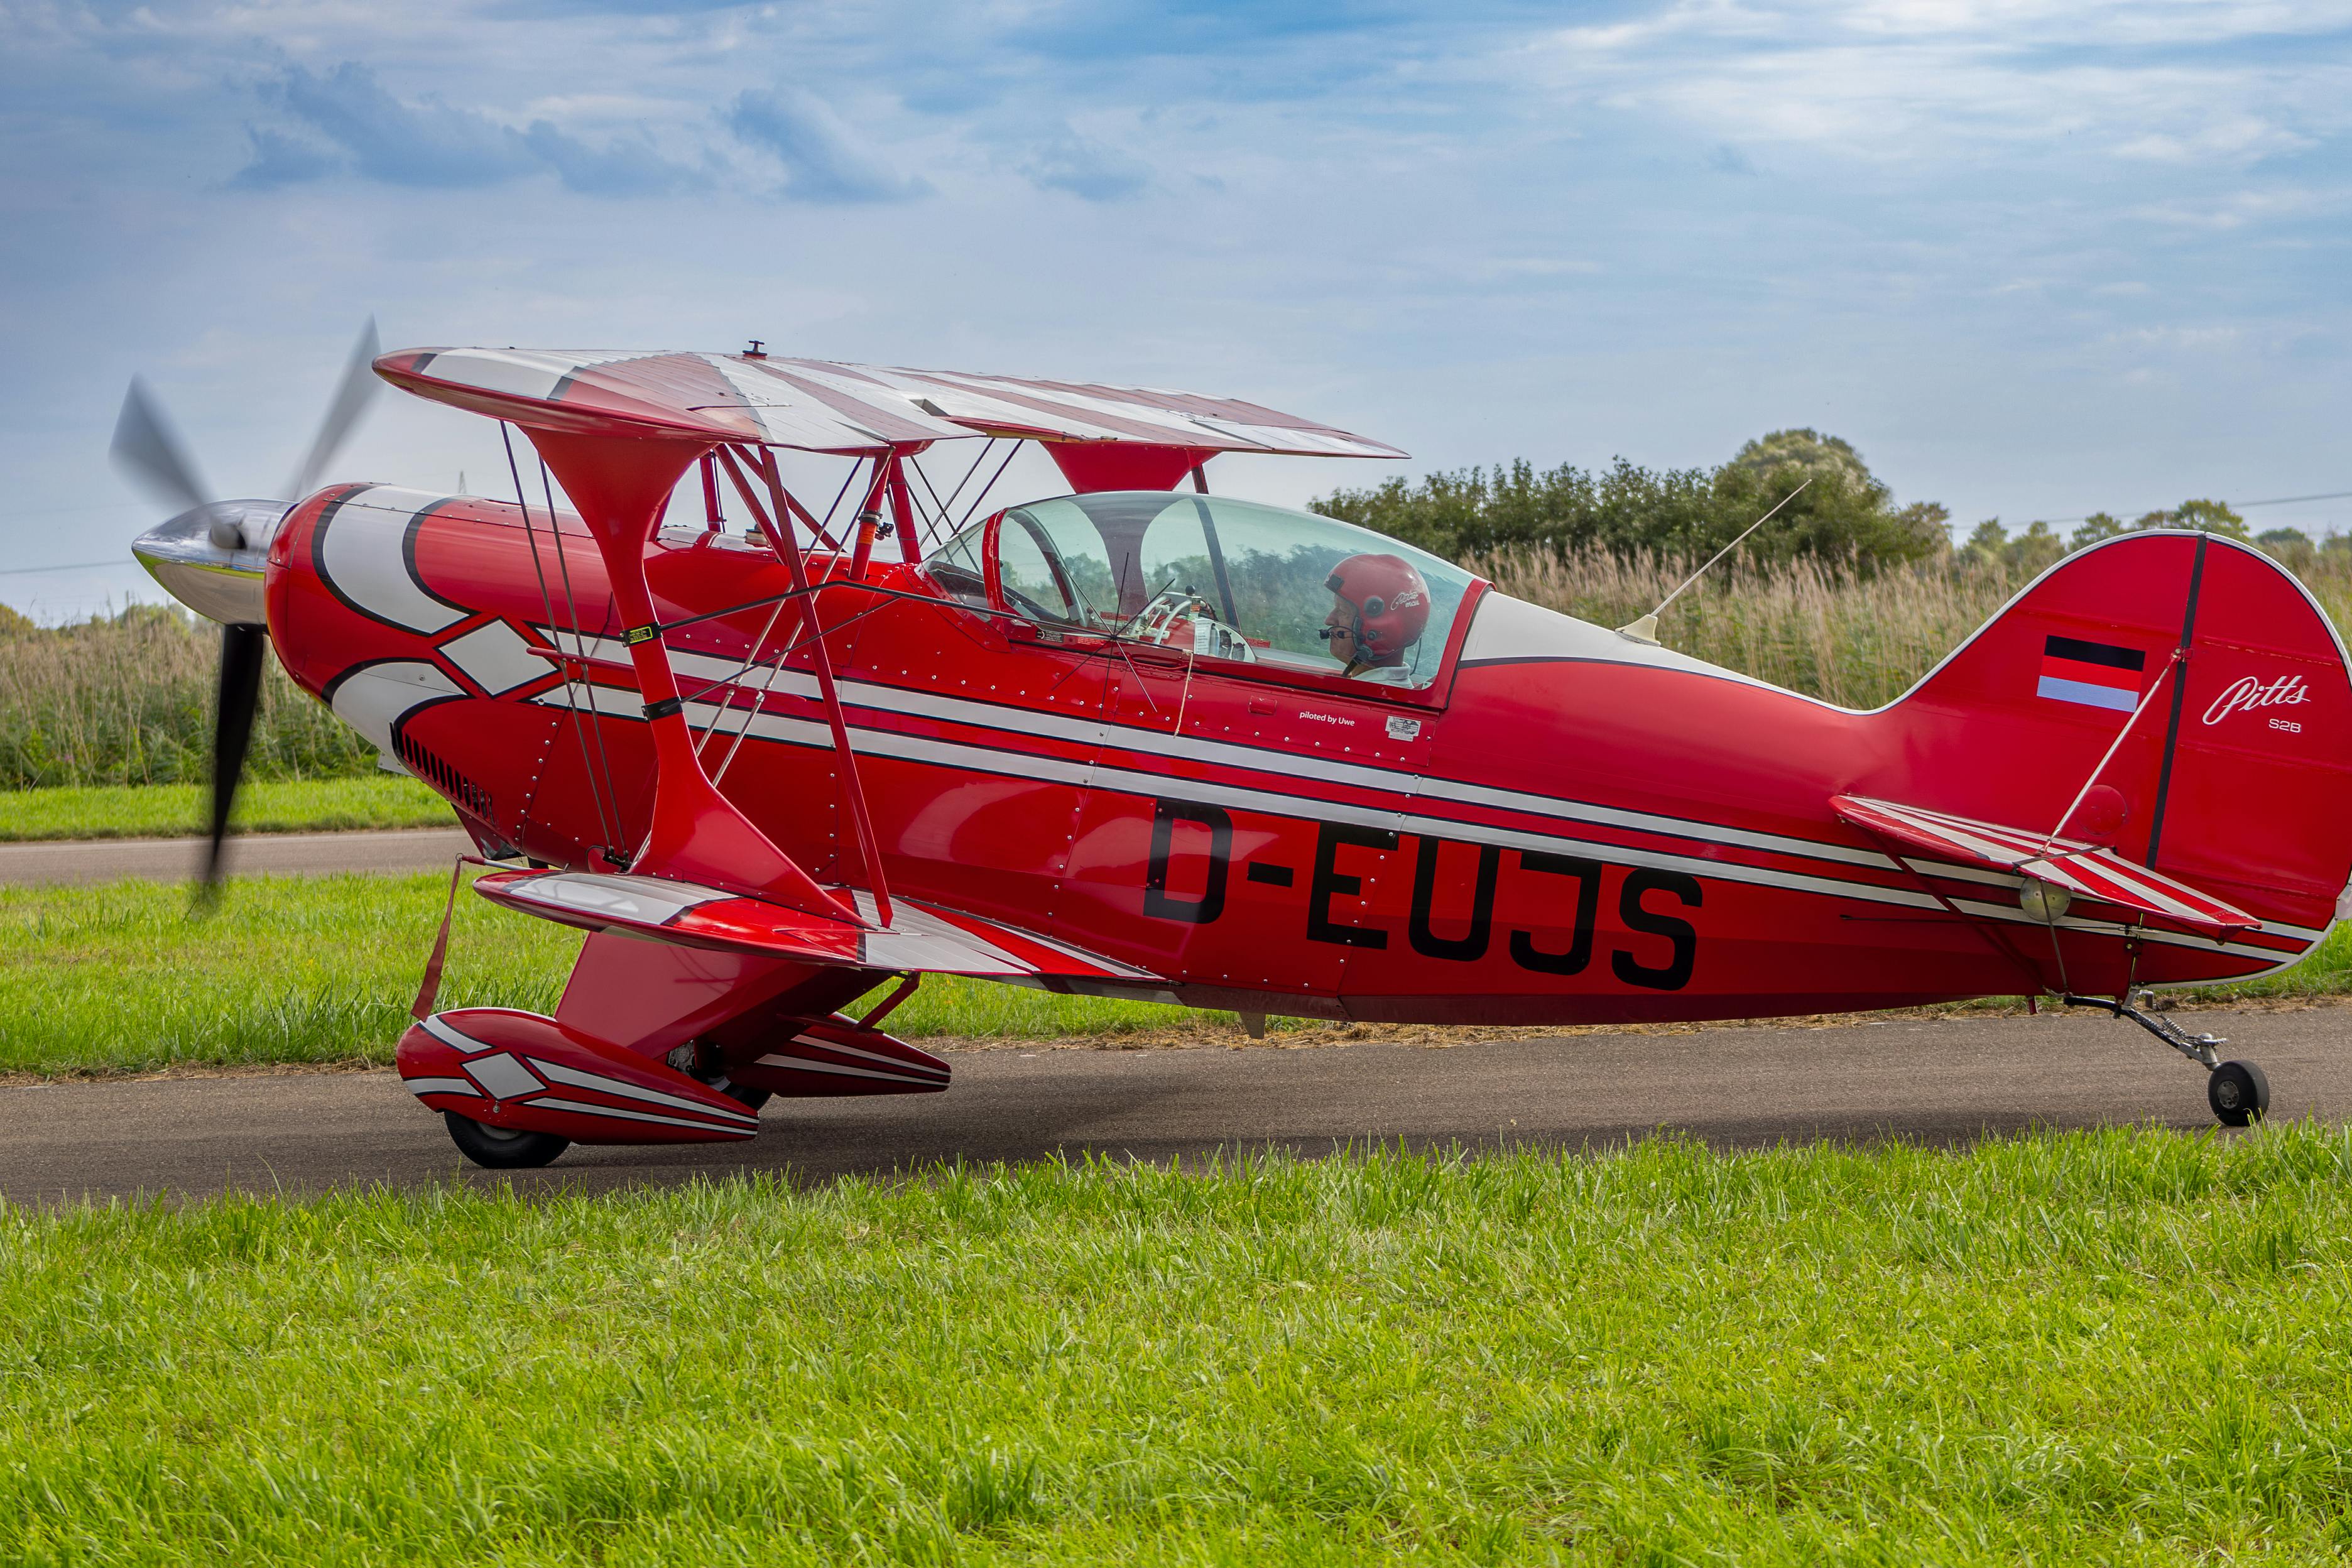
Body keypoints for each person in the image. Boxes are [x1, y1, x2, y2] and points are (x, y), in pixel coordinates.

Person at [1320, 553, 1431, 682]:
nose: (1329, 620)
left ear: (1380, 630)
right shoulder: (1374, 689)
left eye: (1343, 611)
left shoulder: (1365, 698)